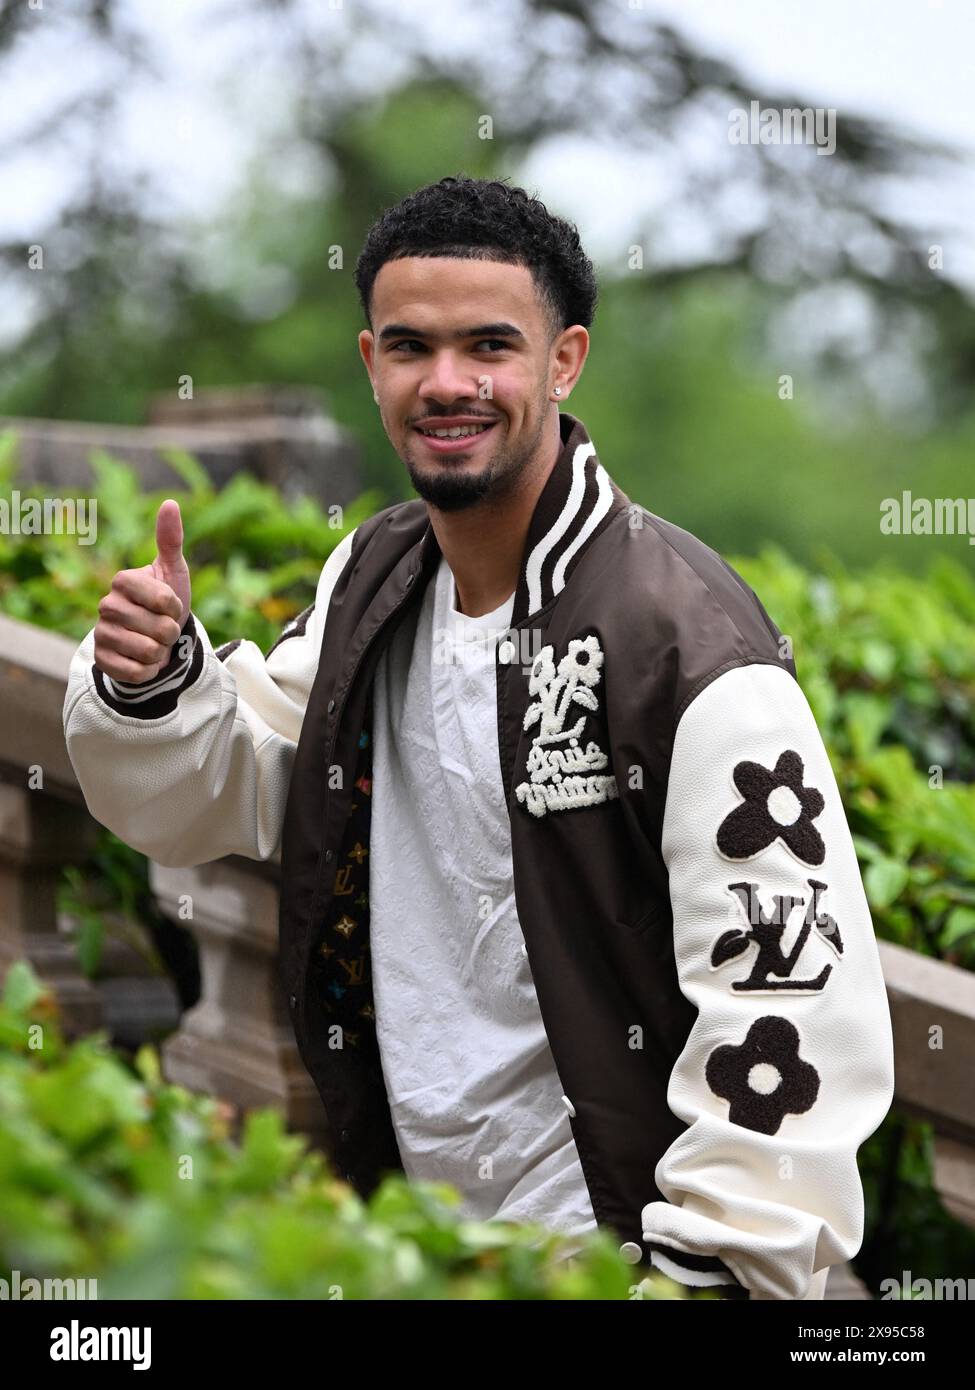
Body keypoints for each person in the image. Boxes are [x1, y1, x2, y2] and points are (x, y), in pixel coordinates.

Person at [62, 174, 895, 1301]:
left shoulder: (681, 640)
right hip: (434, 1242)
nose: (448, 383)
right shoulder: (375, 578)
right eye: (411, 347)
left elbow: (789, 999)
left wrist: (709, 1266)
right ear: (370, 364)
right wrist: (158, 676)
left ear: (564, 361)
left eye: (490, 345)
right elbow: (244, 782)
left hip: (623, 1256)